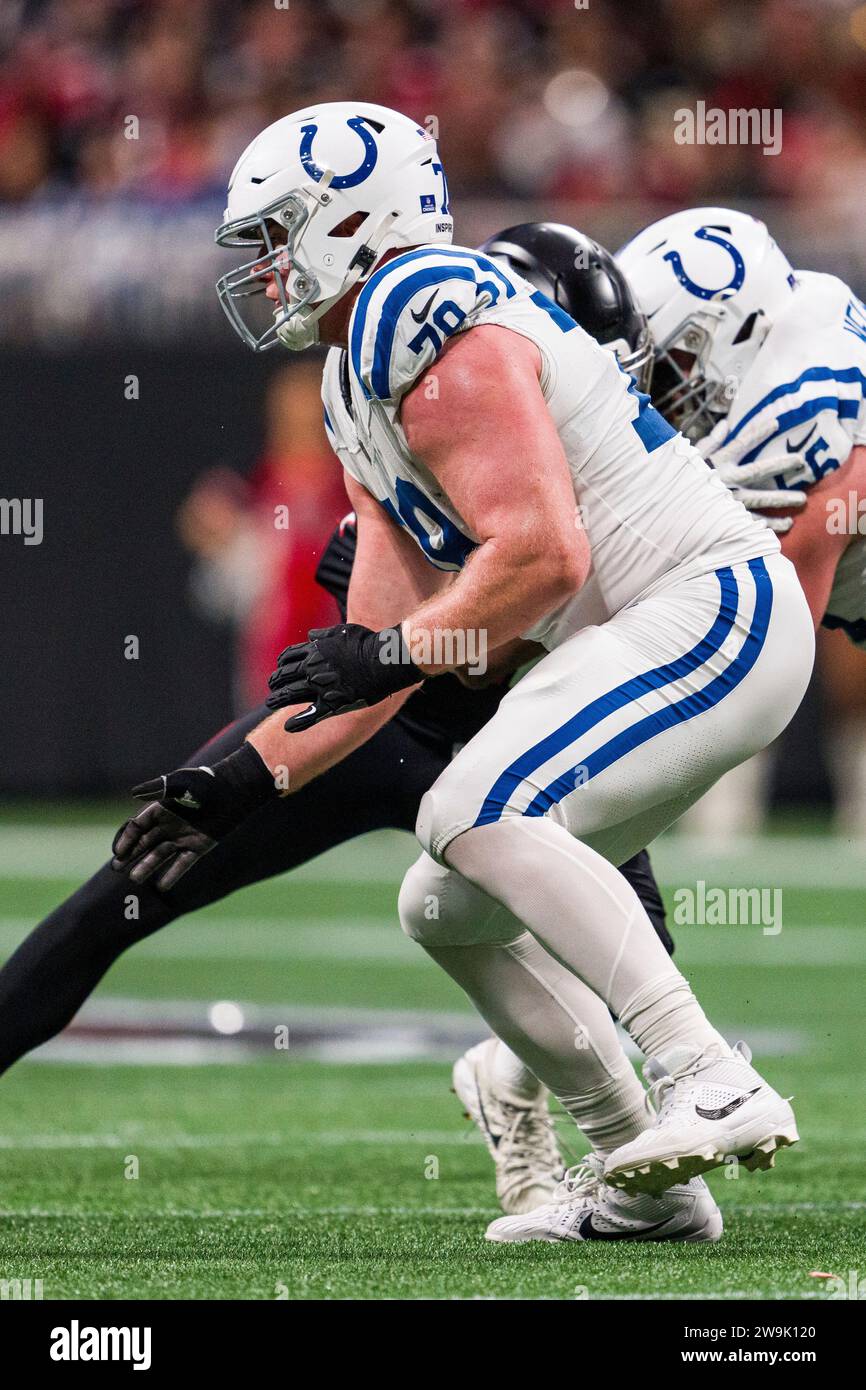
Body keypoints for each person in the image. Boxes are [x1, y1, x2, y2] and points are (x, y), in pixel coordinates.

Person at [113, 103, 814, 1242]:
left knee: (470, 807)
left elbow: (543, 556)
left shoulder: (414, 302)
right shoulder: (356, 378)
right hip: (666, 633)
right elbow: (373, 665)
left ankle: (706, 1070)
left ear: (355, 217)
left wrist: (387, 650)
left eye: (282, 231)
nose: (266, 264)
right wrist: (243, 778)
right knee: (441, 901)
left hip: (707, 603)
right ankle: (645, 1179)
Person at [0, 223, 668, 1228]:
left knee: (637, 958)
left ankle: (524, 1102)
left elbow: (548, 606)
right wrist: (251, 767)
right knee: (129, 887)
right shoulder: (407, 397)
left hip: (528, 740)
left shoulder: (620, 466)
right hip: (379, 729)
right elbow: (383, 642)